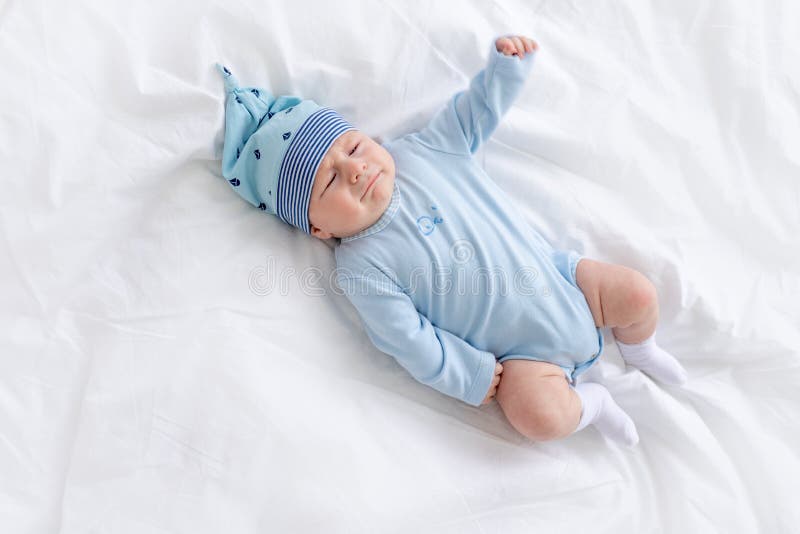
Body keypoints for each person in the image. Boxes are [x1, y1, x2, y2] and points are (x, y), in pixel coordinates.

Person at [215, 35, 687, 447]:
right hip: (524, 359)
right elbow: (406, 337)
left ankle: (639, 348)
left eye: (354, 148)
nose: (355, 169)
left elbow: (471, 116)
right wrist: (468, 375)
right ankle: (594, 405)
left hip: (569, 284)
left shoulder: (422, 152)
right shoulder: (361, 265)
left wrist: (504, 70)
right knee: (537, 416)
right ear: (319, 228)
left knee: (638, 294)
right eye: (329, 182)